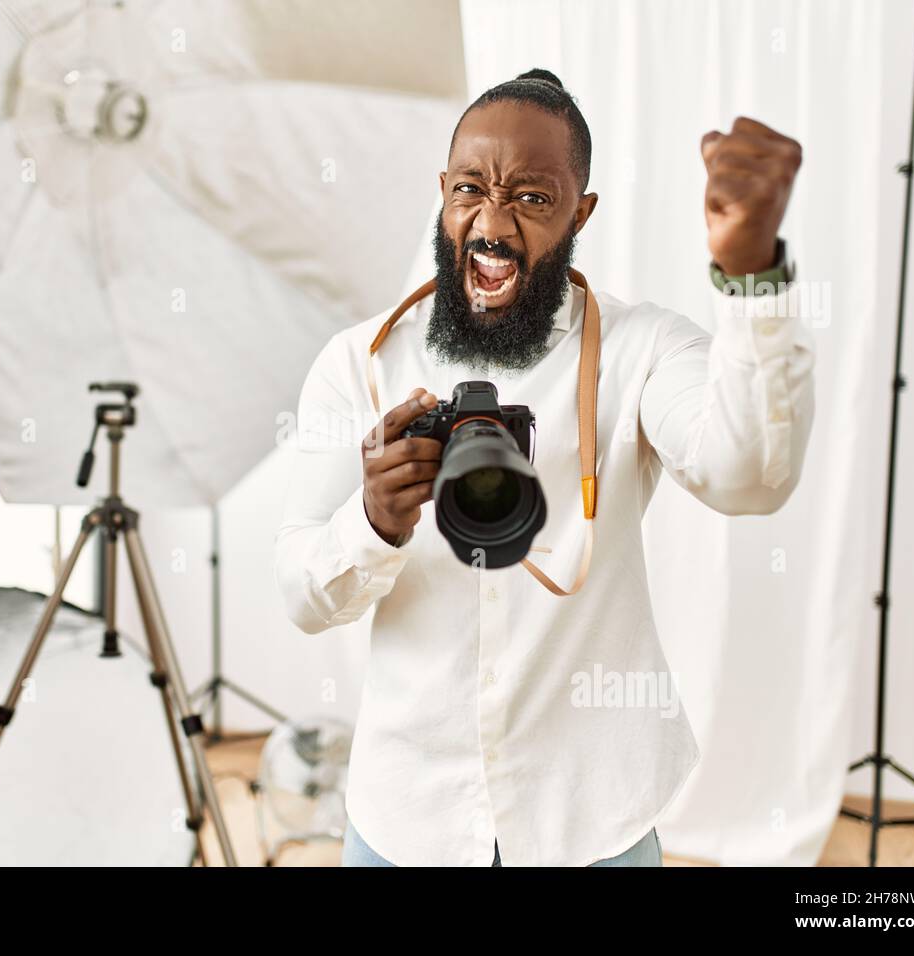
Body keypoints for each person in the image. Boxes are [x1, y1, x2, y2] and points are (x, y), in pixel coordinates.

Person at [275, 70, 814, 866]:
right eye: (470, 190)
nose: (490, 224)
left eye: (531, 197)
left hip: (592, 817)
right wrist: (373, 520)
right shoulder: (362, 360)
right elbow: (300, 595)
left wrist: (753, 279)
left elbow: (751, 477)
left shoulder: (642, 349)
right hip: (406, 820)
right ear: (443, 193)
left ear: (580, 212)